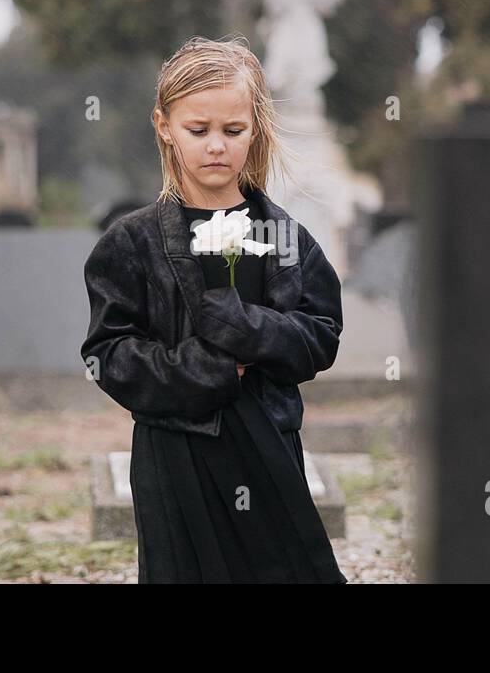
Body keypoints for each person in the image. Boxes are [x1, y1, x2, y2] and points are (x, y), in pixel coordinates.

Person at [79, 35, 348, 583]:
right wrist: (217, 368)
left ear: (256, 129)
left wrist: (252, 330)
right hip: (174, 455)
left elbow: (321, 335)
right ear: (164, 126)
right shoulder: (131, 243)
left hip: (268, 446)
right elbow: (110, 356)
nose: (216, 147)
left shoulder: (286, 238)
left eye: (233, 130)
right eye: (197, 131)